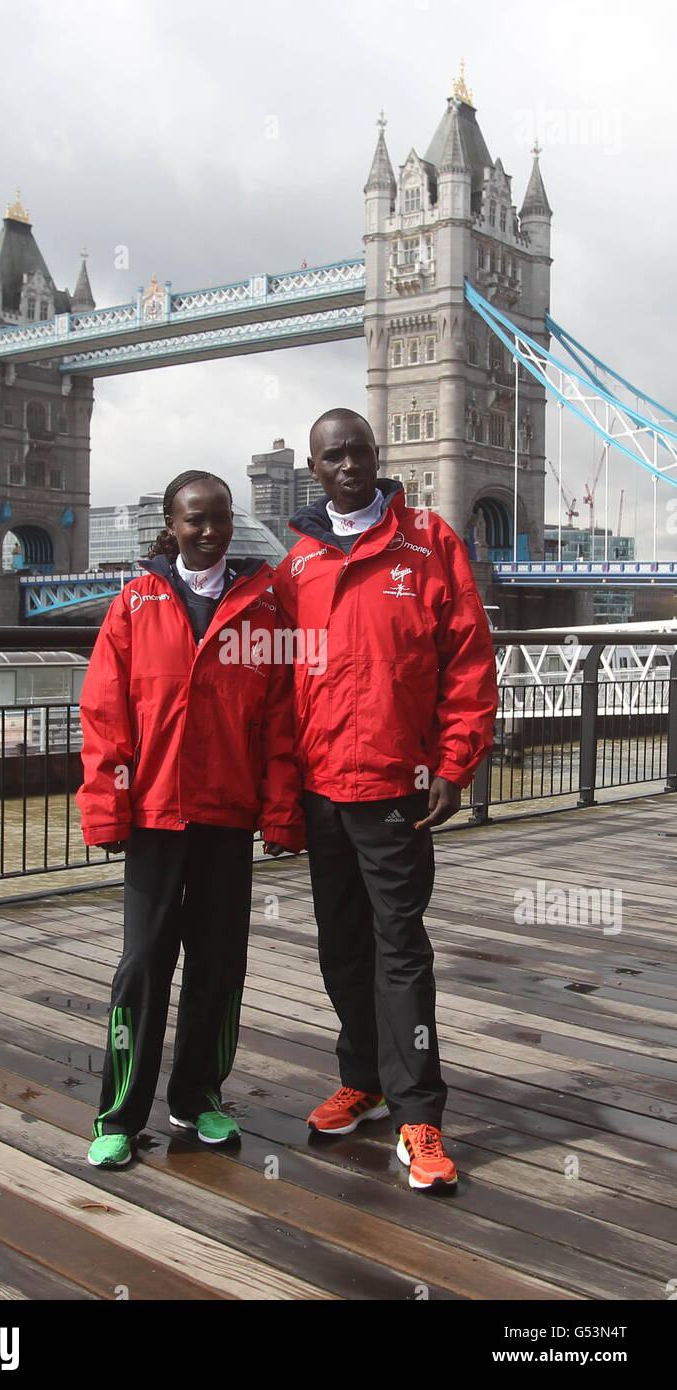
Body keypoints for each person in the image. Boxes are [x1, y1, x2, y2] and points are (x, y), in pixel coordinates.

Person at [272, 409, 498, 1191]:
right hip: (318, 788)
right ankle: (362, 1081)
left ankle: (419, 1118)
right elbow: (270, 685)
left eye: (359, 452)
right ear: (314, 469)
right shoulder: (295, 562)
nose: (348, 466)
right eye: (332, 457)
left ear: (377, 457)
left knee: (399, 949)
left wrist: (454, 762)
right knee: (340, 945)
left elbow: (467, 660)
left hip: (394, 789)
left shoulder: (428, 541)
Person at [76, 470, 304, 1168]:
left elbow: (281, 722)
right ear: (170, 526)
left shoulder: (264, 610)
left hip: (226, 816)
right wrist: (105, 807)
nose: (209, 531)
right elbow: (105, 715)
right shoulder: (133, 605)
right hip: (153, 815)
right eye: (194, 520)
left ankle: (197, 1096)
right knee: (143, 965)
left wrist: (281, 811)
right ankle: (119, 1114)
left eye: (220, 518)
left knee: (218, 964)